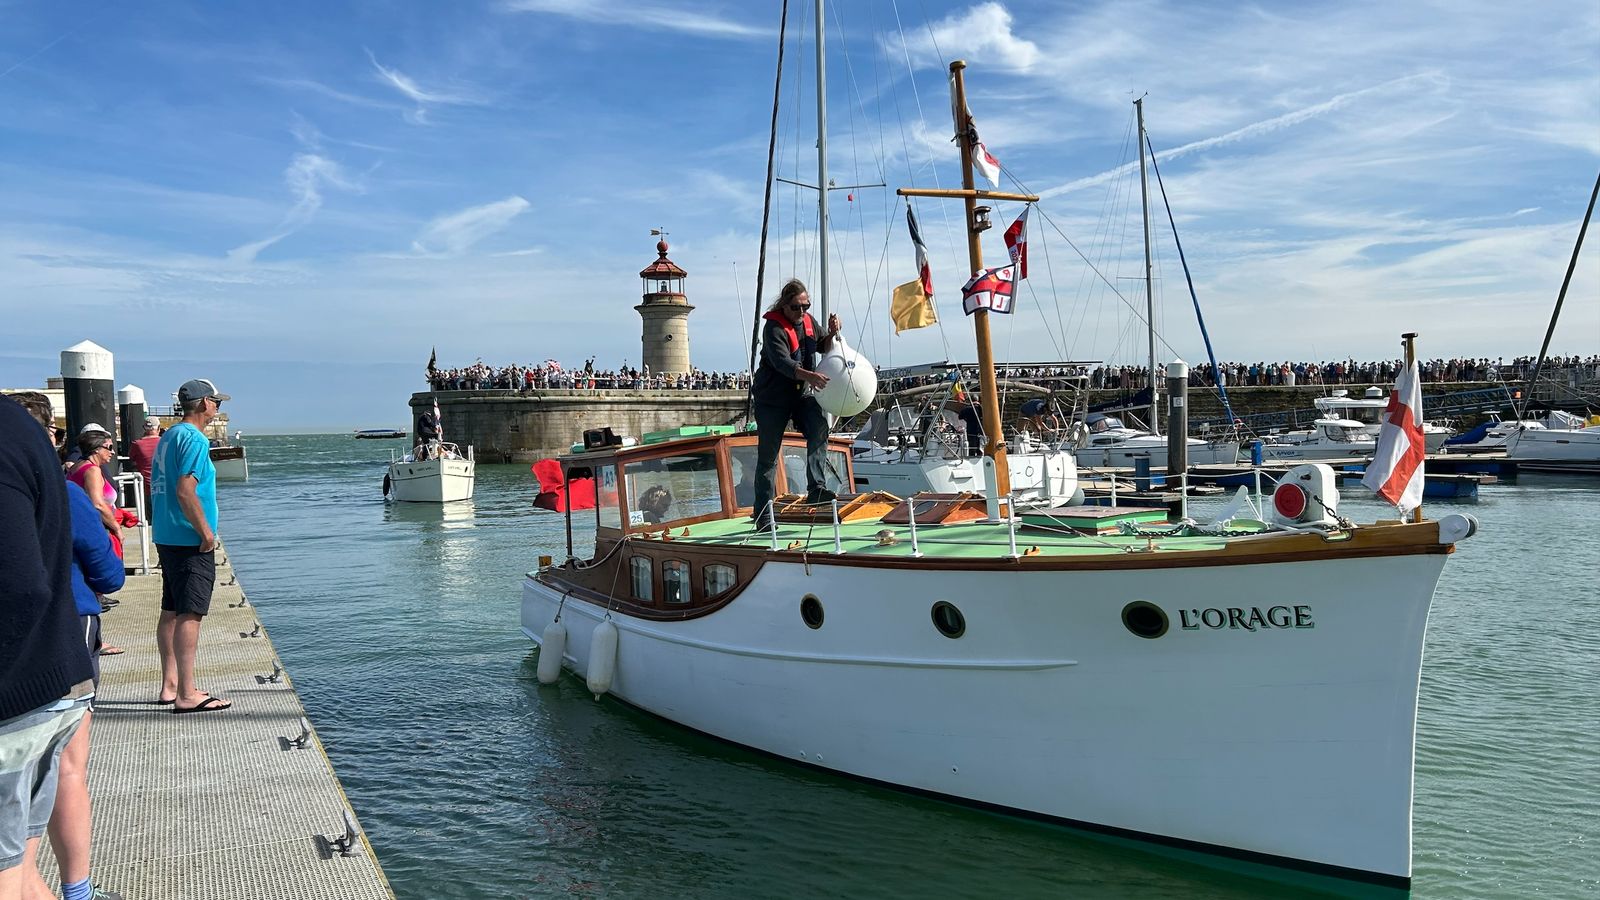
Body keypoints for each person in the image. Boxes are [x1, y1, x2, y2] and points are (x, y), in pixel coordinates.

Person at [0, 393, 96, 899]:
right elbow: (99, 562)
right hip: (61, 669)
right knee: (19, 869)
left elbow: (17, 589)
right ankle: (78, 889)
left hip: (17, 693)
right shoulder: (21, 433)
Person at [150, 379, 231, 714]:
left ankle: (171, 684)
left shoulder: (168, 436)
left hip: (167, 534)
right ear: (202, 404)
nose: (218, 408)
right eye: (216, 402)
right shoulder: (195, 439)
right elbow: (186, 490)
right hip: (189, 538)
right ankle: (186, 692)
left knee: (171, 608)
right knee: (191, 612)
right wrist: (206, 533)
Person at [750, 278, 841, 528]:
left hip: (800, 395)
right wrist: (811, 376)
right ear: (784, 305)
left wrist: (833, 332)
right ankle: (763, 513)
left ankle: (816, 488)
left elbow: (823, 345)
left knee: (819, 427)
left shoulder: (809, 321)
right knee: (768, 456)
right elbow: (782, 363)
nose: (801, 312)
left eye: (806, 306)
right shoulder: (773, 328)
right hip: (772, 399)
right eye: (796, 307)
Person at [127, 418, 161, 507]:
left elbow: (131, 458)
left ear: (144, 428)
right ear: (158, 428)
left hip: (147, 485)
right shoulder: (166, 442)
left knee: (150, 517)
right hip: (166, 484)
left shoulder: (137, 444)